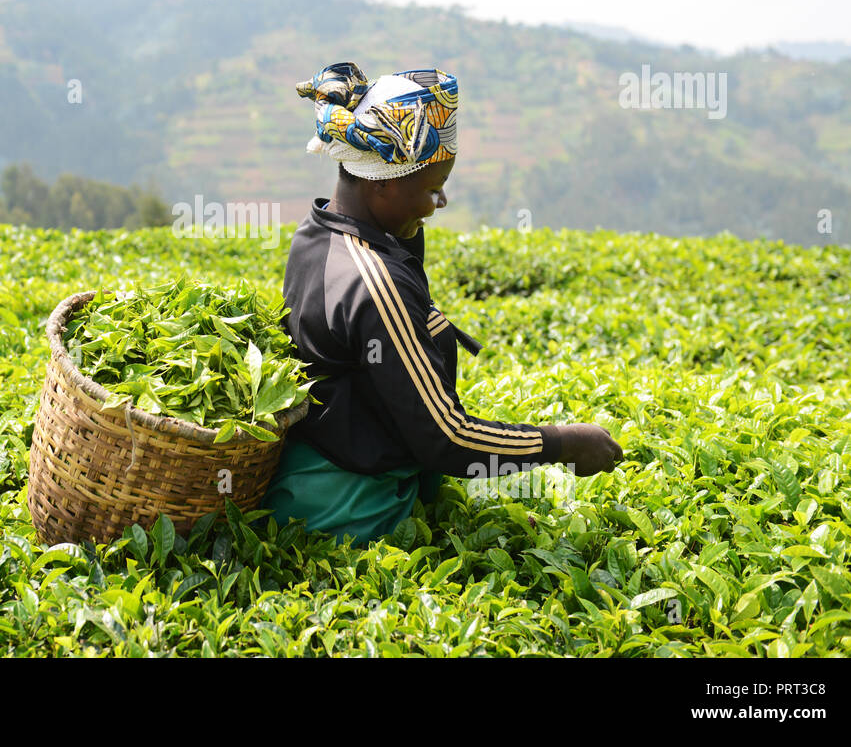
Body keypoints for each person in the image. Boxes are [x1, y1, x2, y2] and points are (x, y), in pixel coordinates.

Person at [262, 61, 622, 546]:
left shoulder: (317, 230)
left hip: (314, 470)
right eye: (432, 188)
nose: (440, 202)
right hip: (350, 507)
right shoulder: (375, 284)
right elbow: (446, 438)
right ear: (383, 183)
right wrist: (561, 443)